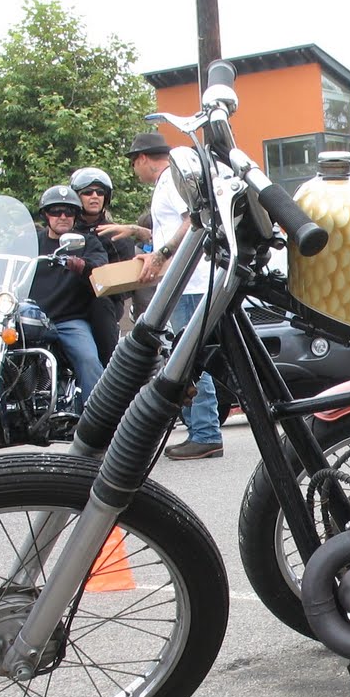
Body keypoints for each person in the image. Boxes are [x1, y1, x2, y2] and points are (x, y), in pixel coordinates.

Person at [126, 132, 221, 460]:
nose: (135, 172)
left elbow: (191, 222)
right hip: (189, 280)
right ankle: (201, 431)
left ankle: (205, 433)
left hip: (191, 282)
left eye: (133, 165)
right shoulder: (170, 182)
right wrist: (147, 243)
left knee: (190, 359)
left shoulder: (170, 182)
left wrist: (162, 254)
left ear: (141, 159)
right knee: (187, 357)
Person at [30, 185, 109, 401]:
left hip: (68, 320)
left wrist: (83, 265)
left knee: (89, 360)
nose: (63, 216)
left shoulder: (86, 242)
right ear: (46, 214)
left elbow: (101, 267)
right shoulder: (31, 242)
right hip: (31, 319)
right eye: (56, 211)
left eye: (69, 211)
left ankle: (97, 418)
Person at [71, 166, 135, 361]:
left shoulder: (117, 235)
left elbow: (126, 284)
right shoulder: (65, 230)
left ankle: (109, 371)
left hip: (104, 301)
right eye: (87, 192)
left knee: (101, 304)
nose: (94, 196)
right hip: (67, 298)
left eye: (100, 192)